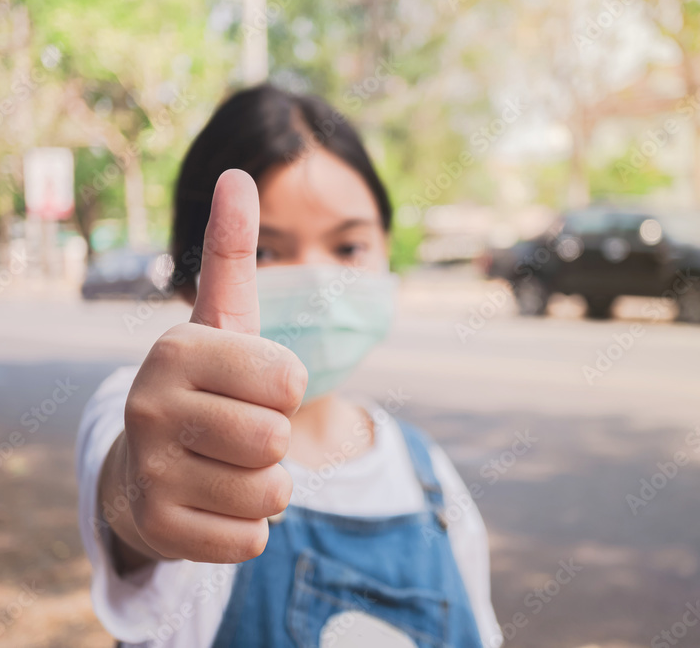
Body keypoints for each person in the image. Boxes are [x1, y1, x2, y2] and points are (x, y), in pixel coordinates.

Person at [76, 83, 501, 648]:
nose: (320, 281)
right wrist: (141, 482)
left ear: (386, 249)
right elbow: (132, 493)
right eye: (266, 251)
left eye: (348, 248)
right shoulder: (145, 411)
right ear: (187, 276)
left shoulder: (430, 476)